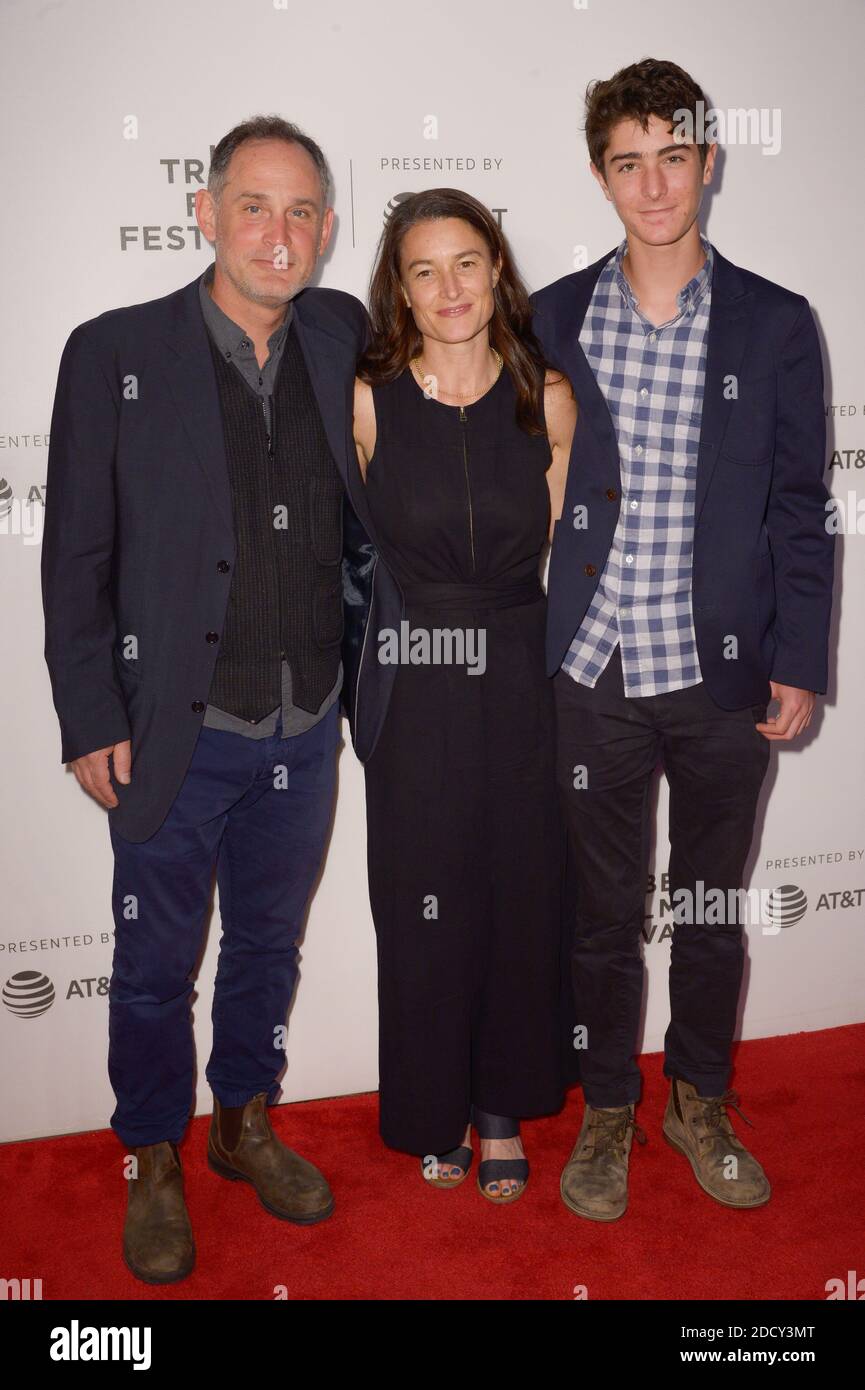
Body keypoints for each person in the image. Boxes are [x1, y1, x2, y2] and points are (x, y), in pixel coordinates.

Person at [40, 115, 379, 1283]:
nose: (276, 235)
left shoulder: (342, 336)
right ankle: (150, 1154)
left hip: (308, 722)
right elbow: (76, 549)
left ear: (328, 232)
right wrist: (89, 711)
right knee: (151, 964)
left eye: (300, 214)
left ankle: (241, 1120)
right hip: (174, 731)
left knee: (268, 950)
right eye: (254, 207)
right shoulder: (114, 351)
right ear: (206, 214)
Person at [531, 58, 835, 1221]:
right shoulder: (551, 315)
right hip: (592, 669)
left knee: (711, 907)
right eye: (627, 161)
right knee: (603, 915)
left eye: (673, 156)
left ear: (708, 161)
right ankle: (608, 1103)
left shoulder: (773, 322)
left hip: (720, 673)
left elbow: (801, 502)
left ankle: (697, 1093)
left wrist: (799, 655)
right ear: (602, 174)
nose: (652, 184)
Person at [349, 188, 578, 1203]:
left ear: (497, 270)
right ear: (398, 290)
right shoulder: (368, 399)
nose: (449, 289)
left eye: (466, 264)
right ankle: (430, 1102)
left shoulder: (549, 396)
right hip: (417, 686)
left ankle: (498, 1107)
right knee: (424, 904)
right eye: (422, 270)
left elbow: (563, 560)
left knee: (520, 897)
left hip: (524, 678)